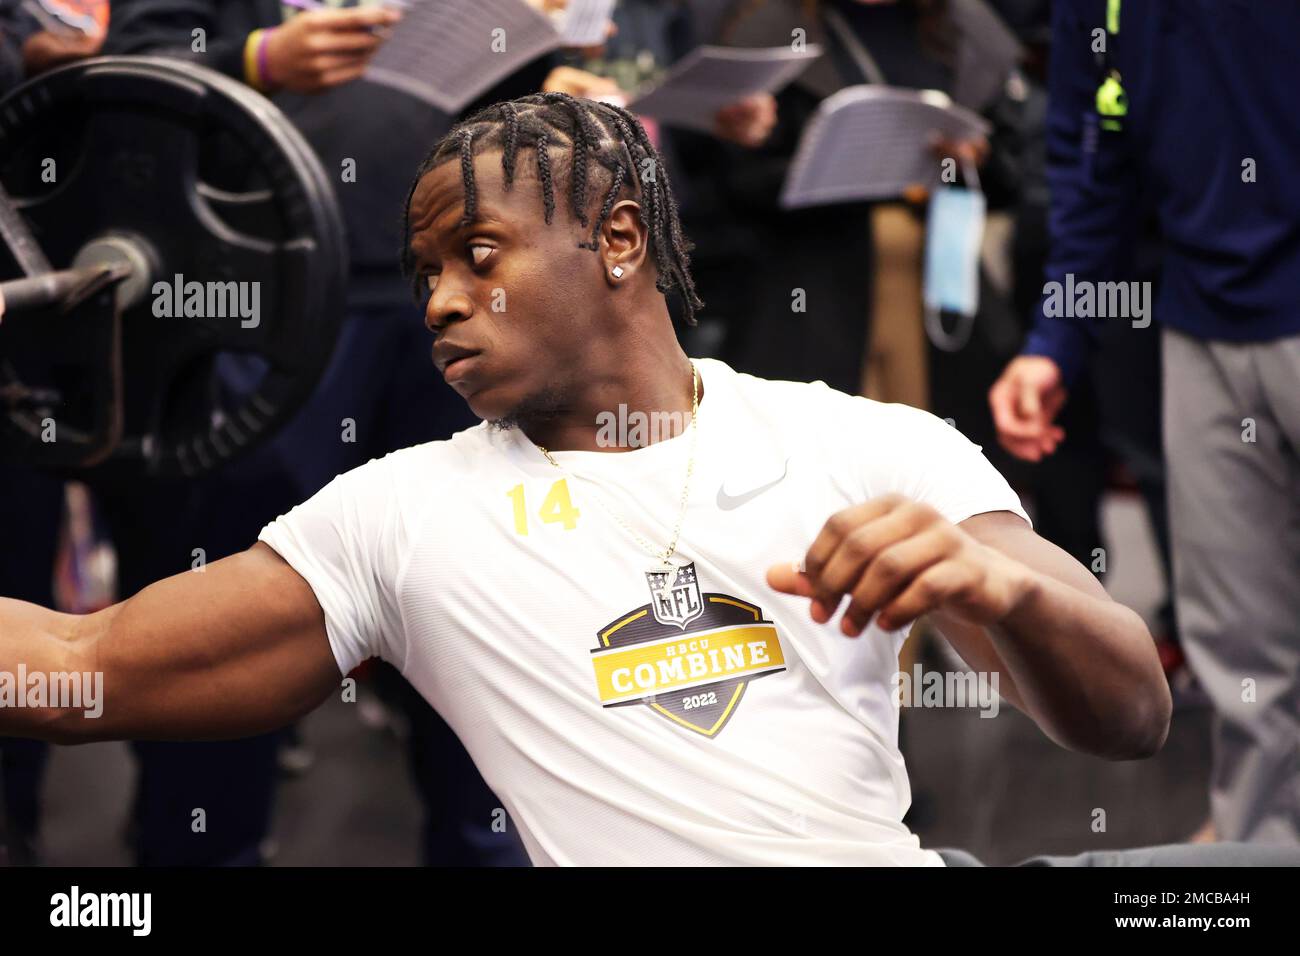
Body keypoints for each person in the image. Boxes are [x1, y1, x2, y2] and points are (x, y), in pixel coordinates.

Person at [6, 90, 1293, 867]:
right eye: (426, 274)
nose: (442, 301)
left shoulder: (866, 443)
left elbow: (1130, 716)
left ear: (617, 240)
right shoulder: (395, 517)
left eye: (479, 253)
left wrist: (1011, 599)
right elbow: (83, 663)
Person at [987, 0, 1300, 845]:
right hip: (1200, 328)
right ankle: (1259, 851)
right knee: (1240, 647)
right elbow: (1097, 168)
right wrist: (1055, 341)